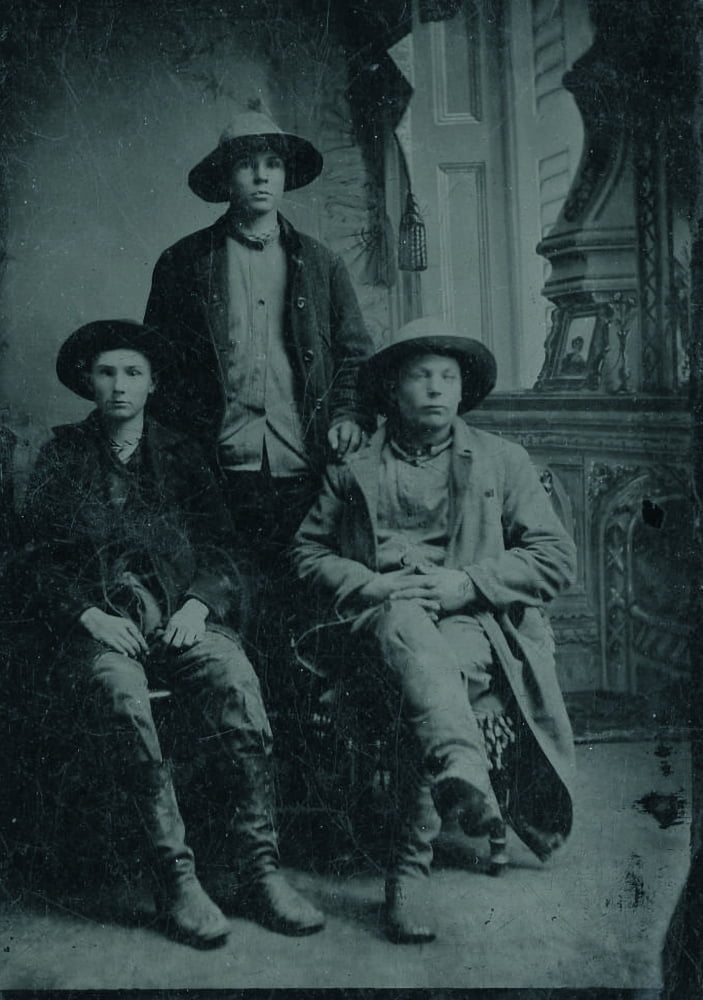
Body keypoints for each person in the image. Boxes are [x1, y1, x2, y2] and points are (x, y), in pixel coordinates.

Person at [20, 320, 324, 949]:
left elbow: (219, 546)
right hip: (102, 627)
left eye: (133, 373)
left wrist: (196, 605)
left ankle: (259, 871)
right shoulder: (61, 455)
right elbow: (38, 559)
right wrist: (88, 616)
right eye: (106, 373)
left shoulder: (184, 454)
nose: (119, 386)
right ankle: (175, 877)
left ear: (153, 383)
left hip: (180, 620)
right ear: (88, 382)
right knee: (122, 697)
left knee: (235, 680)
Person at [293, 317, 577, 944]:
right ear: (392, 390)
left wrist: (468, 583)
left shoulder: (502, 461)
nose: (435, 389)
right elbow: (307, 553)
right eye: (420, 376)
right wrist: (376, 584)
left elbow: (556, 557)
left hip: (469, 620)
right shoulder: (354, 467)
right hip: (380, 619)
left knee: (431, 678)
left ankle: (413, 859)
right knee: (412, 638)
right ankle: (456, 779)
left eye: (447, 377)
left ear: (462, 389)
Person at [143, 110, 374, 607]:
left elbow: (356, 356)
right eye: (247, 164)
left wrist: (350, 413)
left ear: (286, 176)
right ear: (227, 177)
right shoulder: (182, 263)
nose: (262, 175)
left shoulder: (321, 264)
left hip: (303, 460)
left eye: (273, 163)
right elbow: (156, 367)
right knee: (223, 596)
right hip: (215, 466)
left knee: (300, 600)